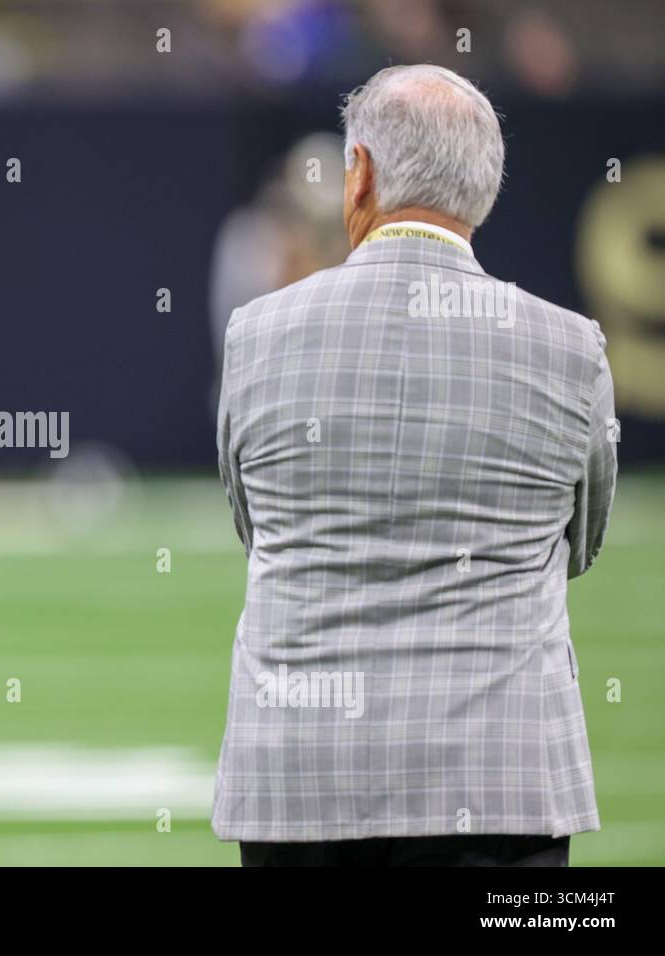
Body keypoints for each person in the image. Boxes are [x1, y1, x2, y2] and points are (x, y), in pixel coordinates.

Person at [212, 64, 616, 866]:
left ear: (356, 175)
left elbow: (254, 527)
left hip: (299, 787)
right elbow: (581, 545)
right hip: (499, 785)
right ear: (484, 189)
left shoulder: (257, 334)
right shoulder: (571, 349)